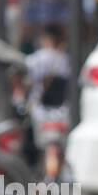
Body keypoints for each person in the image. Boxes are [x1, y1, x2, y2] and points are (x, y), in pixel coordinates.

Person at [24, 25, 72, 181]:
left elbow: (25, 78)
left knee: (45, 149)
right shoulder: (65, 59)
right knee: (60, 150)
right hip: (62, 113)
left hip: (40, 112)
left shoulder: (36, 58)